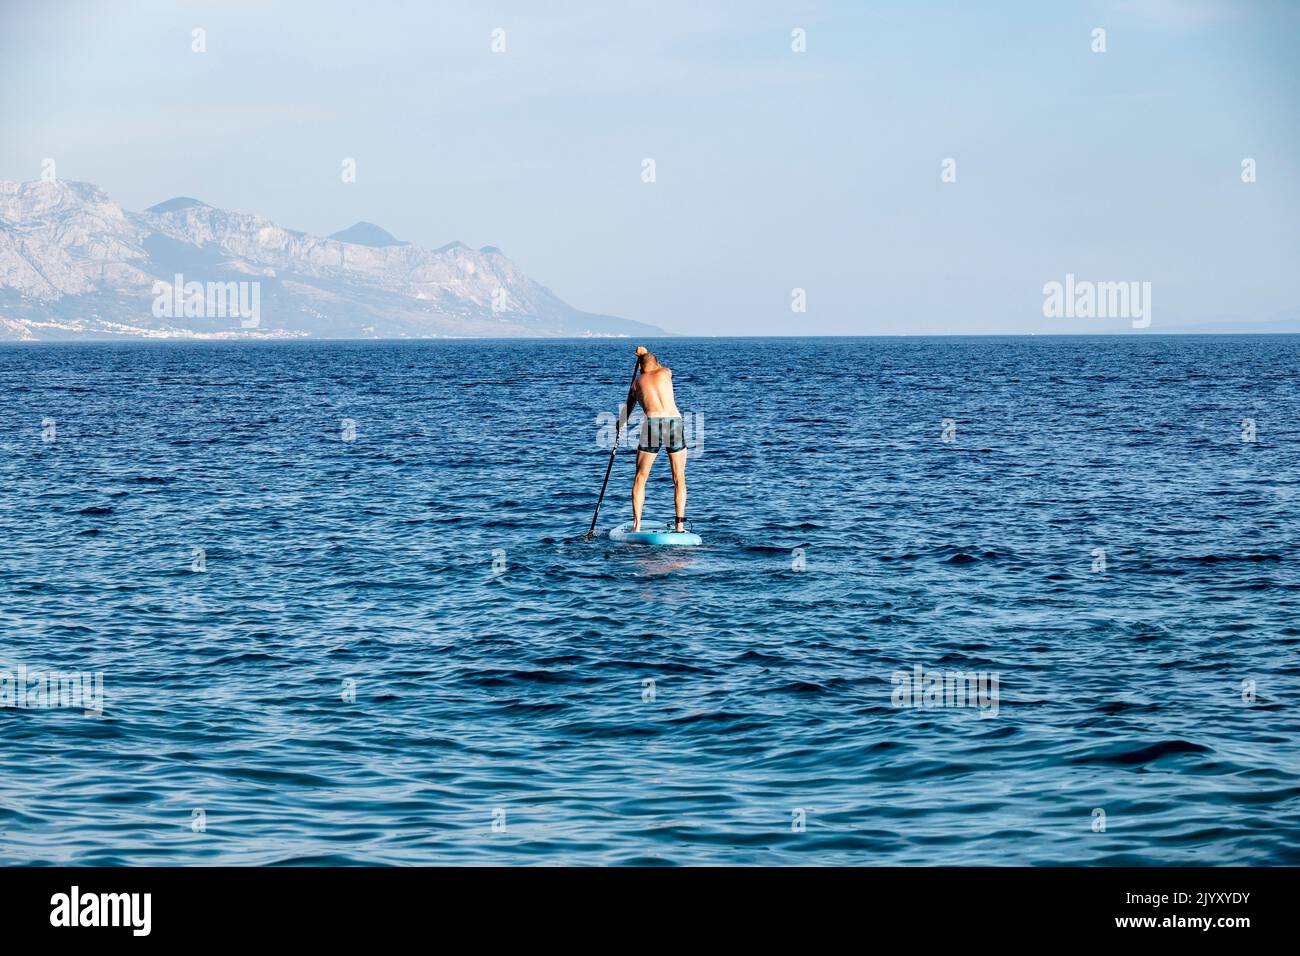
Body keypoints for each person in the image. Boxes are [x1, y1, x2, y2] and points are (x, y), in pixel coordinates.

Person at [625, 347, 687, 532]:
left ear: (640, 367)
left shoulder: (636, 384)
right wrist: (644, 355)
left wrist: (619, 426)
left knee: (640, 478)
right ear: (656, 364)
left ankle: (636, 527)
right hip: (673, 423)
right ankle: (680, 527)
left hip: (652, 424)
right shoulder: (666, 372)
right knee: (679, 478)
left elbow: (626, 412)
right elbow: (654, 363)